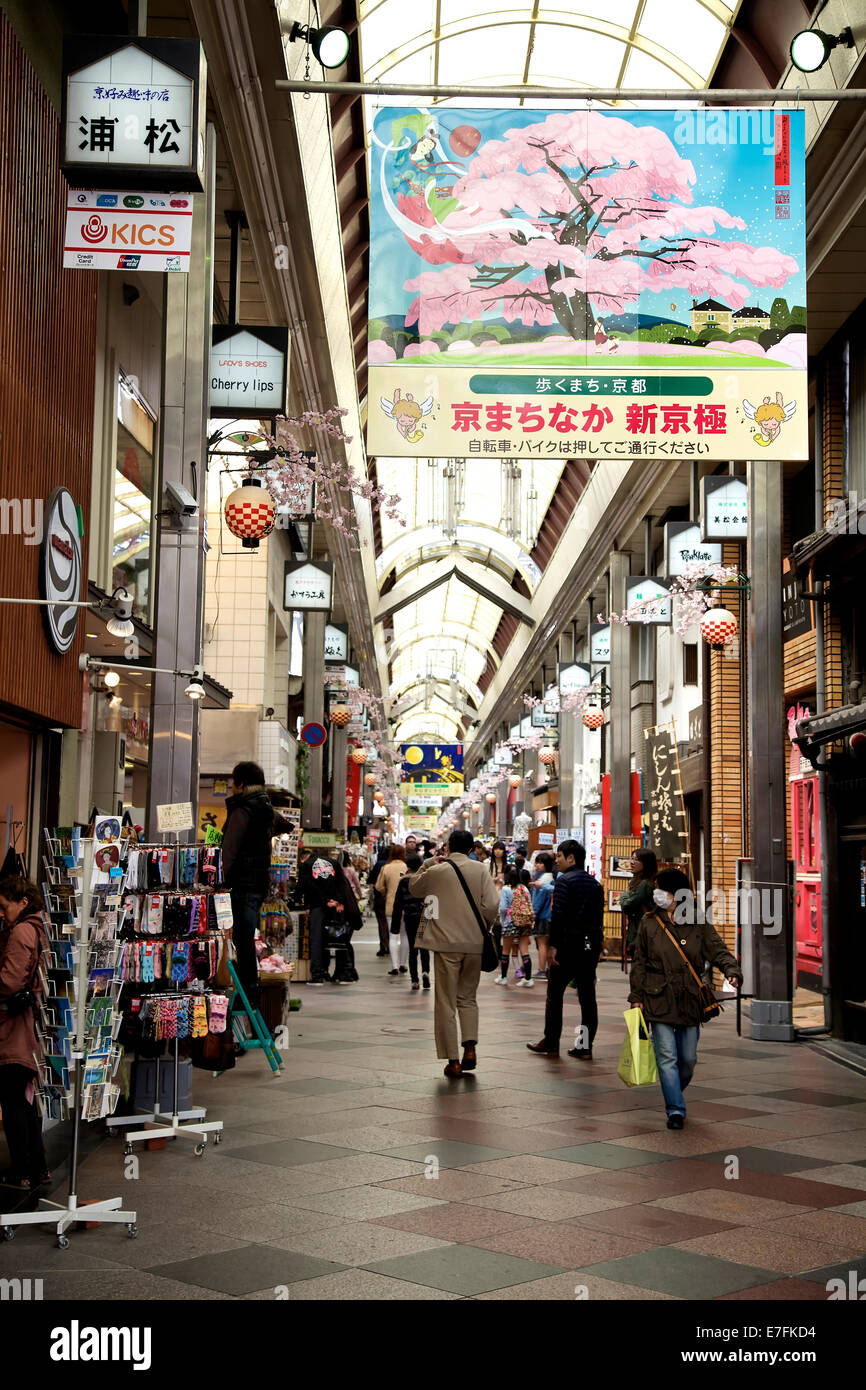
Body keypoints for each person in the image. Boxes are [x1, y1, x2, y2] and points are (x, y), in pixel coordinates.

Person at [629, 868, 742, 1129]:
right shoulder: (649, 922)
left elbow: (718, 950)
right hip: (657, 997)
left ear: (677, 894)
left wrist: (732, 971)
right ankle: (675, 1110)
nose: (656, 893)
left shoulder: (698, 922)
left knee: (688, 1059)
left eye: (661, 889)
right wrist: (636, 996)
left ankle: (673, 1091)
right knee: (667, 1056)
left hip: (690, 998)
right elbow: (639, 963)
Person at [409, 828, 499, 1077]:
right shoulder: (481, 869)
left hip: (446, 945)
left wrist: (428, 861)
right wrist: (484, 927)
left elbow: (414, 887)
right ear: (471, 849)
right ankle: (470, 1046)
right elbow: (491, 905)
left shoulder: (437, 871)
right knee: (468, 998)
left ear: (448, 847)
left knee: (446, 1001)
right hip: (474, 943)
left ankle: (453, 1060)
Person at [527, 839, 603, 1061]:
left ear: (571, 858)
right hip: (590, 946)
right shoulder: (594, 883)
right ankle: (585, 1046)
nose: (556, 860)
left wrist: (553, 946)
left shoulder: (564, 882)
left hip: (568, 946)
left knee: (555, 995)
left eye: (559, 856)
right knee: (588, 998)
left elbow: (558, 917)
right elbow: (598, 919)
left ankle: (551, 1041)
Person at [0, 876, 49, 1189]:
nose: (3, 913)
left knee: (14, 1100)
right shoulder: (42, 927)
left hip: (15, 1027)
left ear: (22, 902)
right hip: (33, 1025)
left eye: (5, 907)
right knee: (27, 1101)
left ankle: (22, 1172)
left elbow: (10, 980)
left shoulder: (21, 931)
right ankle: (38, 1167)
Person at [222, 761, 282, 1001]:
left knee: (242, 938)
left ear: (241, 783)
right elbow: (285, 825)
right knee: (245, 937)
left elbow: (229, 850)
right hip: (258, 883)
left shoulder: (243, 809)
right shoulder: (266, 809)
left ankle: (247, 993)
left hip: (242, 884)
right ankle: (249, 989)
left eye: (233, 781)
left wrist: (215, 879)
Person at [298, 849, 361, 984]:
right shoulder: (333, 862)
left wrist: (324, 900)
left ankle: (318, 975)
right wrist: (337, 900)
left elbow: (306, 886)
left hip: (318, 905)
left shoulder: (305, 865)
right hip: (336, 906)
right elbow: (342, 883)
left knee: (317, 939)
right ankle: (343, 973)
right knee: (339, 937)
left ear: (303, 858)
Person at [390, 854, 430, 990]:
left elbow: (397, 904)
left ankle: (414, 980)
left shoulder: (403, 881)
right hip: (423, 916)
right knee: (424, 946)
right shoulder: (424, 879)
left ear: (407, 866)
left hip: (410, 917)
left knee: (413, 948)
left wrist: (395, 927)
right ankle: (425, 971)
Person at [496, 868, 535, 986]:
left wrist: (503, 921)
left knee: (506, 951)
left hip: (510, 921)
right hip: (524, 922)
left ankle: (503, 977)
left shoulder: (506, 889)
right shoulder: (524, 889)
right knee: (524, 950)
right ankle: (528, 979)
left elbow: (503, 908)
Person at [620, 848, 658, 958]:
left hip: (641, 935)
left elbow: (627, 906)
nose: (632, 862)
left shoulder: (644, 884)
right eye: (632, 858)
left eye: (636, 860)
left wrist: (624, 895)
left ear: (646, 863)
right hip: (642, 934)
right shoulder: (639, 881)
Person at [379, 844, 409, 975]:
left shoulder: (386, 868)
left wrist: (387, 893)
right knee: (405, 935)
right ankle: (403, 963)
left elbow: (379, 886)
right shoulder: (407, 867)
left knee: (393, 936)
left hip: (391, 906)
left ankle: (395, 966)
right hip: (406, 906)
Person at [530, 851, 555, 979]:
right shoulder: (553, 877)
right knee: (550, 945)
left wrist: (533, 914)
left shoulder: (542, 880)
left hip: (543, 917)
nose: (538, 865)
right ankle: (550, 970)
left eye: (540, 863)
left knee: (542, 944)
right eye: (537, 862)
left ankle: (541, 970)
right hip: (552, 916)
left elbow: (538, 901)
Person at [368, 844, 390, 957]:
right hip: (392, 898)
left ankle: (383, 946)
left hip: (380, 897)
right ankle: (392, 946)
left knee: (382, 922)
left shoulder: (378, 865)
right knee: (391, 922)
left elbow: (371, 881)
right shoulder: (394, 865)